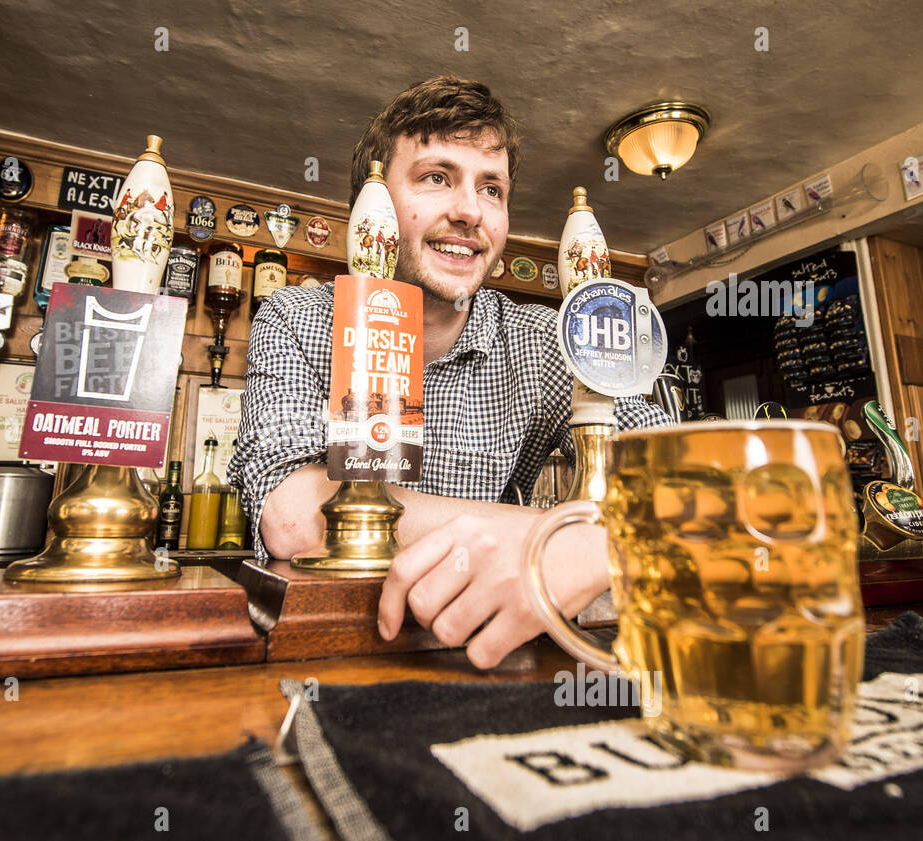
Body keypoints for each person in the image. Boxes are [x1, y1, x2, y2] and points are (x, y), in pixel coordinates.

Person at [227, 75, 669, 668]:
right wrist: (562, 534)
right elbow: (296, 519)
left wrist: (606, 543)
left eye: (492, 189)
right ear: (374, 202)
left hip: (491, 658)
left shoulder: (542, 341)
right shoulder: (297, 317)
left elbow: (683, 483)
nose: (468, 212)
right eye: (437, 178)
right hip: (325, 658)